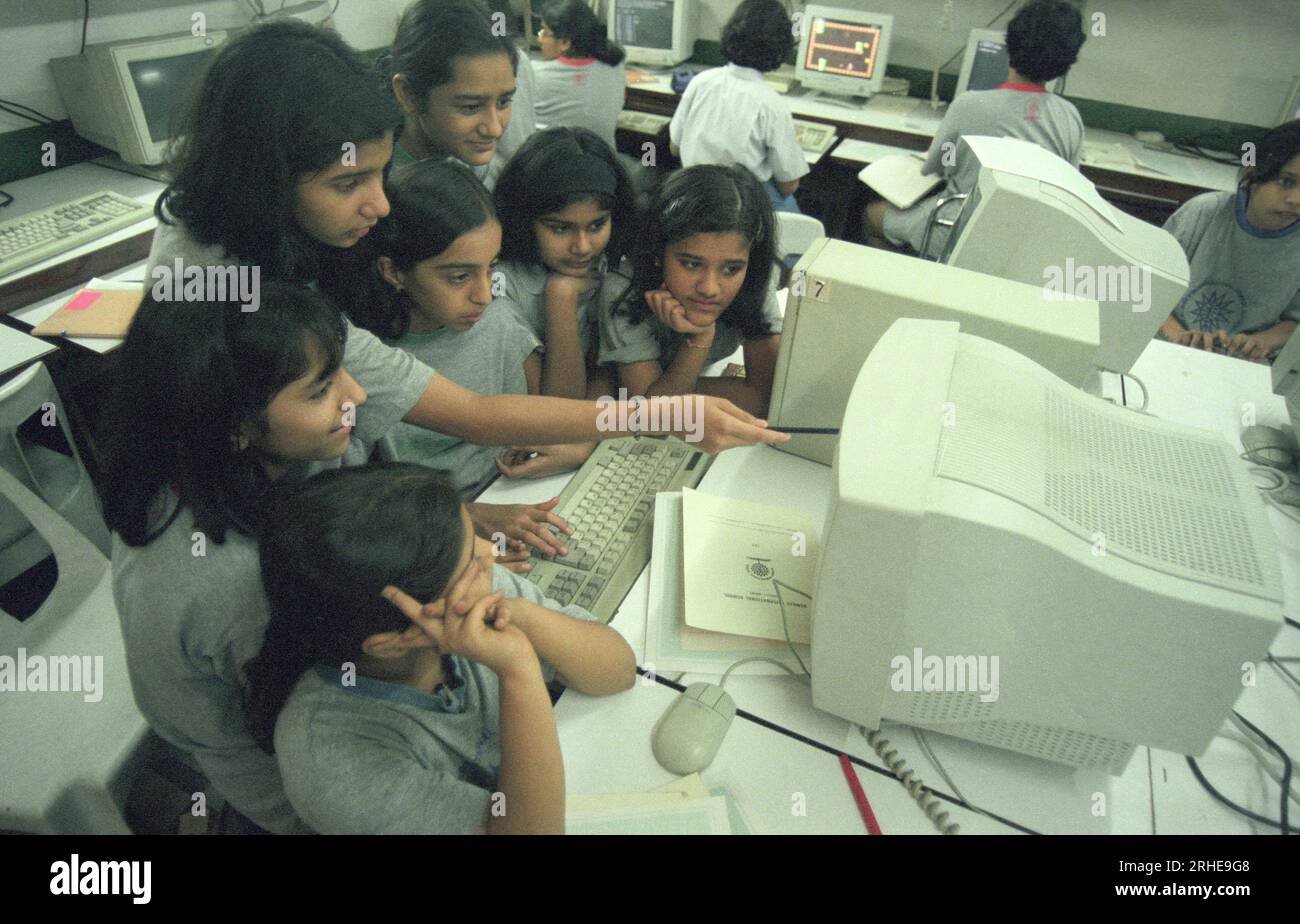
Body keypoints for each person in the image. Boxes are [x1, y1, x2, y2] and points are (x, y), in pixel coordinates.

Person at [147, 19, 789, 468]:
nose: (378, 203)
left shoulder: (267, 227)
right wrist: (661, 417)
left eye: (379, 172)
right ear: (262, 173)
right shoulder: (240, 297)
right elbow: (475, 414)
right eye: (348, 182)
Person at [244, 463, 636, 834]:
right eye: (470, 560)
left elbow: (617, 670)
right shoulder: (331, 763)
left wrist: (518, 614)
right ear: (392, 643)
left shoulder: (467, 590)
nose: (490, 553)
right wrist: (518, 667)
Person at [105, 283, 367, 834]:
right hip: (286, 789)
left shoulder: (191, 468)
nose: (357, 395)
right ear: (235, 427)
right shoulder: (232, 581)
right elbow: (285, 730)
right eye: (322, 390)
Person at [345, 157, 571, 552]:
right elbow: (361, 506)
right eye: (459, 277)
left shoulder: (497, 320)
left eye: (491, 269)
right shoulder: (366, 361)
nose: (483, 294)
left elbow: (545, 416)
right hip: (422, 535)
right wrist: (470, 517)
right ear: (394, 271)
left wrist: (574, 445)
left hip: (512, 495)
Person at [865, 0, 1086, 256]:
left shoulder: (969, 105)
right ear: (1066, 62)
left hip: (955, 228)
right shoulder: (1070, 117)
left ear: (1009, 45)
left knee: (872, 216)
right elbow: (1071, 189)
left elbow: (935, 167)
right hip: (1025, 242)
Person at [598, 165, 783, 417]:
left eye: (731, 269)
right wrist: (699, 338)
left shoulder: (755, 278)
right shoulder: (622, 288)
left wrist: (664, 392)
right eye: (692, 264)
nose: (709, 288)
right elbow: (653, 423)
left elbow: (765, 400)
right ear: (658, 251)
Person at [494, 127, 636, 400]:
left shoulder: (616, 264)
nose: (582, 247)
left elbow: (611, 380)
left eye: (597, 225)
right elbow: (558, 406)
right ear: (525, 221)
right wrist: (561, 297)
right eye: (560, 228)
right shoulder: (501, 287)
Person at [1157, 120, 1300, 362]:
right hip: (1168, 347)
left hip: (1243, 366)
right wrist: (1178, 335)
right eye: (1286, 182)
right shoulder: (1202, 213)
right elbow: (1145, 290)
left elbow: (1294, 321)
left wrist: (1261, 342)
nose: (1296, 199)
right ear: (1252, 173)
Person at [669, 0, 807, 214]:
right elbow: (789, 185)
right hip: (741, 203)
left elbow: (674, 147)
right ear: (780, 47)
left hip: (693, 193)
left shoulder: (701, 81)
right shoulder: (771, 104)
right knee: (805, 231)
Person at [388, 0, 533, 191]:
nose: (494, 129)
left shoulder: (465, 160)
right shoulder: (383, 191)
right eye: (471, 107)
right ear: (408, 95)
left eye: (503, 102)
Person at [532, 0, 626, 150]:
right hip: (605, 166)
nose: (539, 38)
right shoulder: (615, 65)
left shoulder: (534, 75)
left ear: (564, 43)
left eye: (544, 31)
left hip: (551, 168)